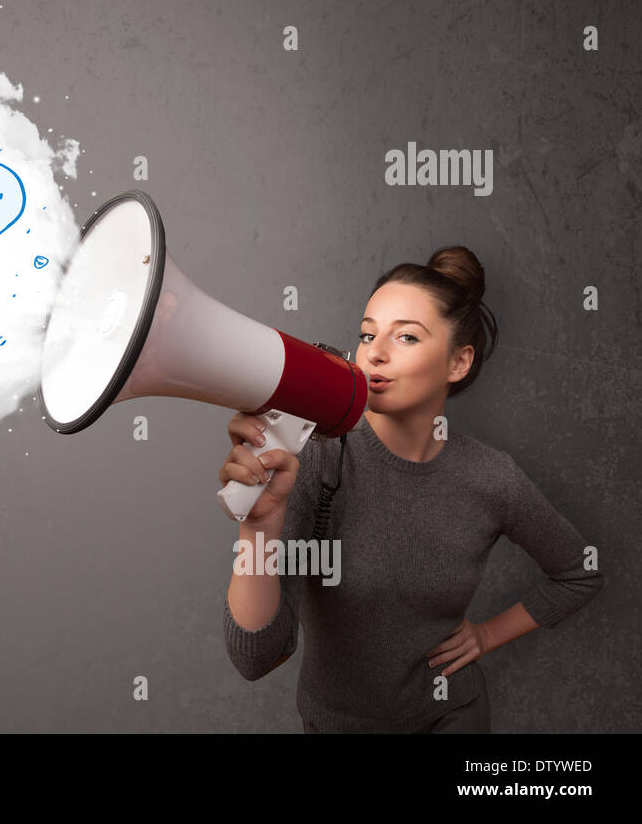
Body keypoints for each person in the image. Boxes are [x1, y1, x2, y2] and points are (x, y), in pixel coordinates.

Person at [220, 246, 604, 732]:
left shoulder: (492, 477)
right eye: (366, 334)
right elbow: (254, 658)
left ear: (458, 362)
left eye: (405, 336)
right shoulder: (316, 457)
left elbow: (580, 573)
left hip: (450, 717)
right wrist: (259, 526)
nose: (374, 352)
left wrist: (485, 636)